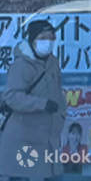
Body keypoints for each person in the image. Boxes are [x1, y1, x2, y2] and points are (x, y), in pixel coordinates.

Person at [0, 19, 65, 181]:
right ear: (32, 39)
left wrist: (61, 113)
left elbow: (56, 91)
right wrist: (41, 104)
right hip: (23, 136)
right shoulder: (21, 65)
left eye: (51, 38)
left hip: (48, 137)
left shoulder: (53, 62)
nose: (48, 42)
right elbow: (11, 97)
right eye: (43, 38)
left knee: (47, 174)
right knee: (24, 174)